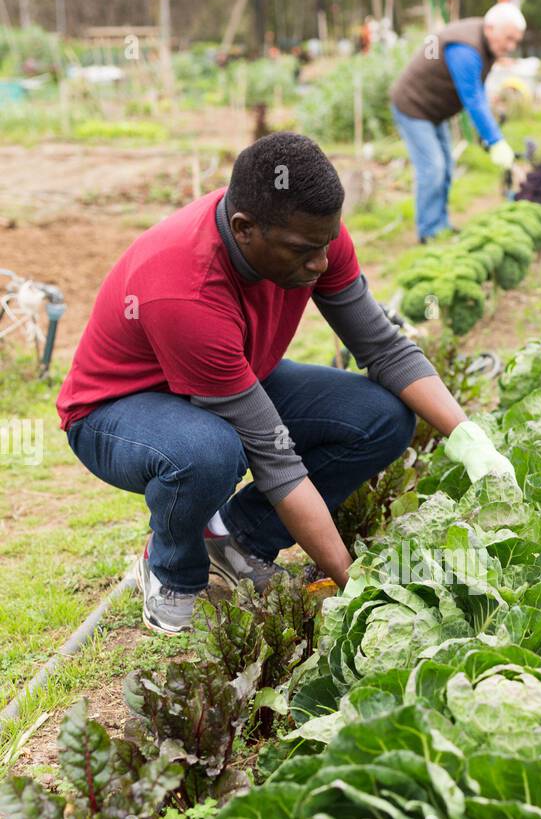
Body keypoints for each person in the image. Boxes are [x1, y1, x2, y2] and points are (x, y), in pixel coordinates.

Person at [55, 132, 515, 636]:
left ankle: (235, 540)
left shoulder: (314, 236)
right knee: (209, 452)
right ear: (244, 229)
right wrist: (353, 581)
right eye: (304, 251)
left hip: (235, 374)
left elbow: (383, 346)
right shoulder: (186, 289)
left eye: (326, 245)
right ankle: (172, 571)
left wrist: (470, 440)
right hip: (119, 411)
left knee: (382, 417)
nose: (320, 263)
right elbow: (276, 461)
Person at [390, 3, 525, 243]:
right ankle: (429, 232)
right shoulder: (466, 49)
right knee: (433, 168)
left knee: (446, 166)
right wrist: (495, 141)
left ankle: (440, 224)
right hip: (413, 106)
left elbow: (479, 94)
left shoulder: (484, 40)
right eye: (509, 38)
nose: (511, 46)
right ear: (491, 28)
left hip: (434, 111)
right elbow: (472, 99)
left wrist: (488, 134)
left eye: (516, 41)